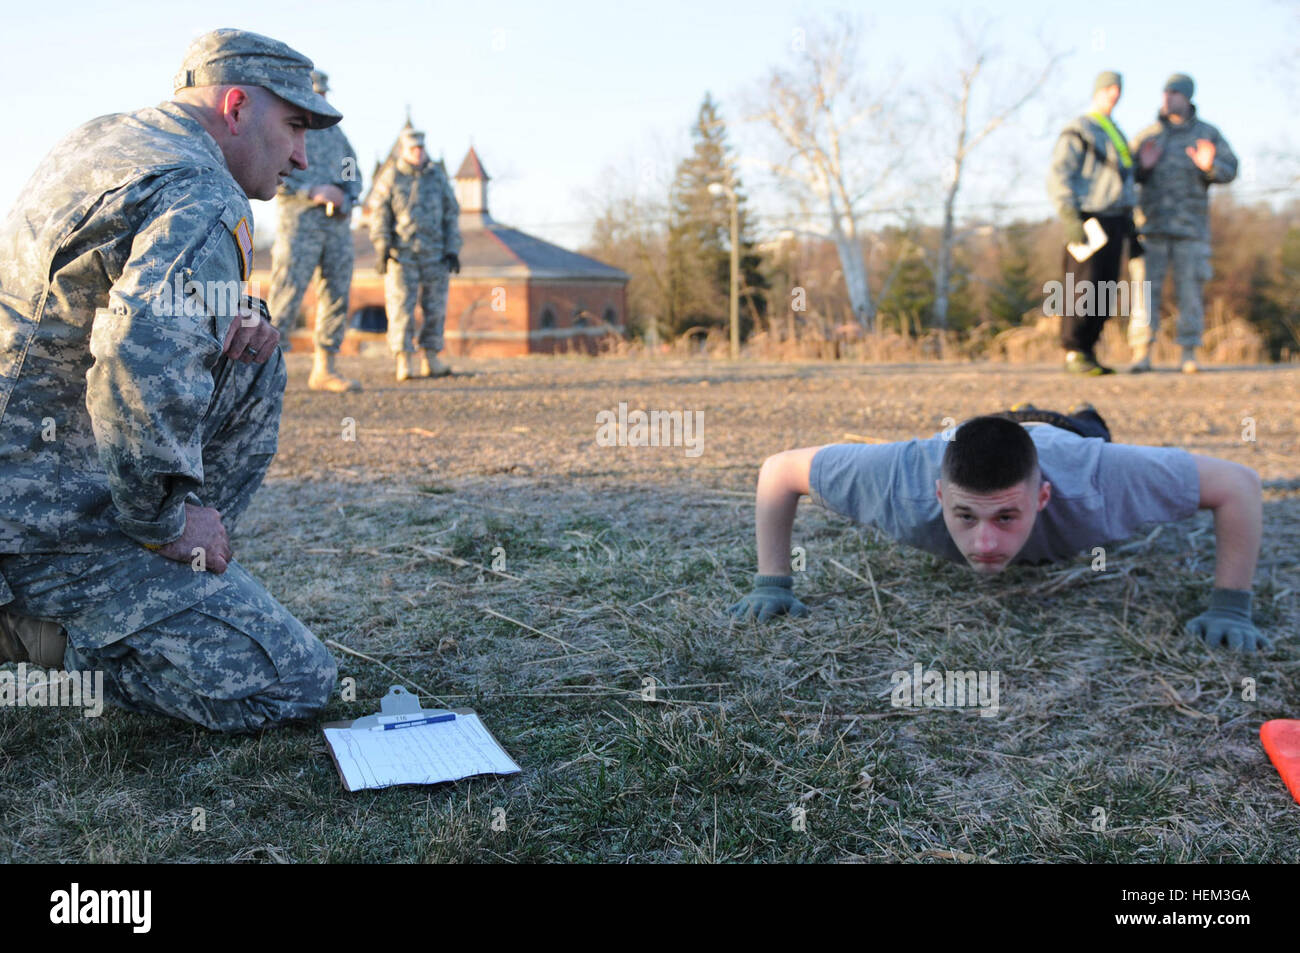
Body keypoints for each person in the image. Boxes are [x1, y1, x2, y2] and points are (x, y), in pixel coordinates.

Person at [0, 29, 340, 730]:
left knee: (253, 346)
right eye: (296, 126)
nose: (304, 157)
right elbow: (137, 353)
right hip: (36, 521)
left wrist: (225, 315)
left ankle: (163, 574)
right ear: (238, 105)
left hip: (30, 467)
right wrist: (165, 518)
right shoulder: (202, 191)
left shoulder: (101, 142)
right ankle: (45, 628)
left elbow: (105, 311)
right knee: (294, 682)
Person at [728, 407, 1270, 653]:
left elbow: (1239, 484)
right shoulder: (899, 482)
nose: (984, 545)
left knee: (1087, 426)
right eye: (966, 516)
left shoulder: (1099, 481)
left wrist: (1230, 605)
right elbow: (779, 471)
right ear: (939, 497)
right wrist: (772, 583)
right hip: (986, 427)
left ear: (1043, 498)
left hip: (1063, 436)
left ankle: (1078, 417)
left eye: (1006, 517)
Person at [1127, 73, 1238, 374]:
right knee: (1144, 291)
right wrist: (1142, 168)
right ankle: (1142, 353)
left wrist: (1209, 166)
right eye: (1165, 93)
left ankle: (1188, 353)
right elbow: (1125, 175)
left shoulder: (1207, 134)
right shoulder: (1148, 136)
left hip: (1191, 231)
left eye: (1174, 93)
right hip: (1150, 229)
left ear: (1187, 97)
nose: (1167, 98)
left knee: (1190, 292)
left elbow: (1230, 170)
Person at [267, 69, 362, 392]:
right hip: (299, 225)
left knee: (336, 292)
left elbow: (354, 173)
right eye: (315, 94)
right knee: (287, 292)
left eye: (323, 94)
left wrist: (347, 196)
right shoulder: (286, 130)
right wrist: (313, 190)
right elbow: (271, 174)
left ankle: (325, 367)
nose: (320, 100)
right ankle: (265, 374)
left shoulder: (337, 135)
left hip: (336, 226)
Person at [1046, 70, 1141, 376]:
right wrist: (1069, 215)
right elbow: (1059, 173)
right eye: (1109, 88)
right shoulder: (1080, 128)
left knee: (1105, 288)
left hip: (1115, 219)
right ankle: (1074, 352)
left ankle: (1089, 350)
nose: (1114, 93)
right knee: (1081, 286)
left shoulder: (1115, 131)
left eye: (1118, 88)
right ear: (1097, 91)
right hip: (1088, 218)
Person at [369, 128, 462, 381]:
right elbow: (379, 213)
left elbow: (451, 213)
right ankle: (403, 361)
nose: (418, 153)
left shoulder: (436, 177)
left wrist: (453, 248)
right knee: (401, 306)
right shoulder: (391, 176)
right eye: (413, 149)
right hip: (402, 254)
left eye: (421, 148)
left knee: (435, 307)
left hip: (435, 253)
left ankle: (431, 359)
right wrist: (382, 246)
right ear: (403, 150)